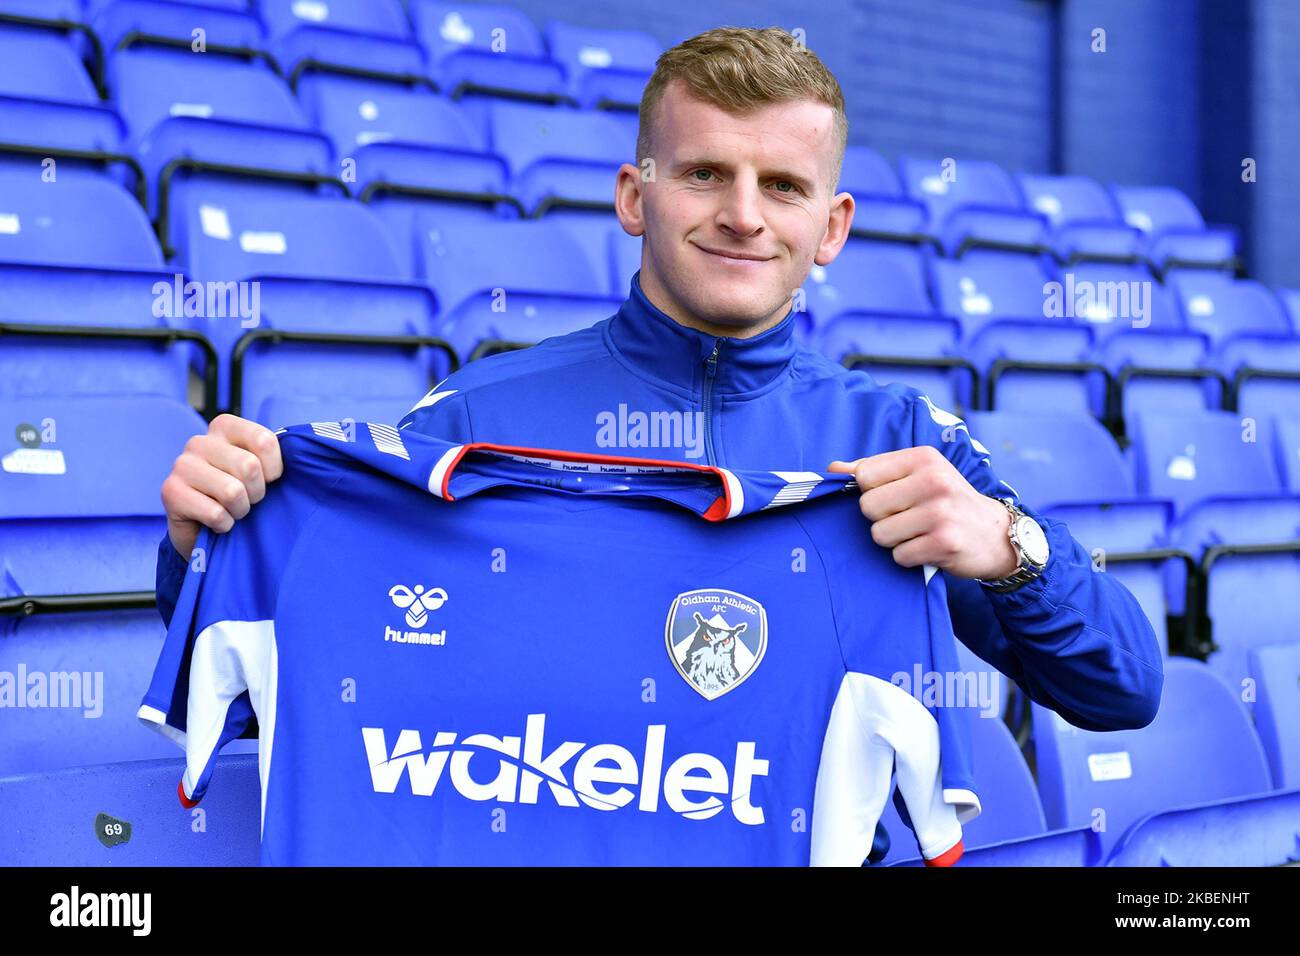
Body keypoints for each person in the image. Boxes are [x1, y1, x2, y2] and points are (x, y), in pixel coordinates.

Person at [157, 27, 1162, 744]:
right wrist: (203, 537)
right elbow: (254, 694)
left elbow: (1121, 690)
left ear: (833, 227)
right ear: (635, 197)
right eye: (703, 175)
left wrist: (1010, 550)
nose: (742, 214)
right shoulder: (472, 418)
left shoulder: (899, 441)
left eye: (782, 186)